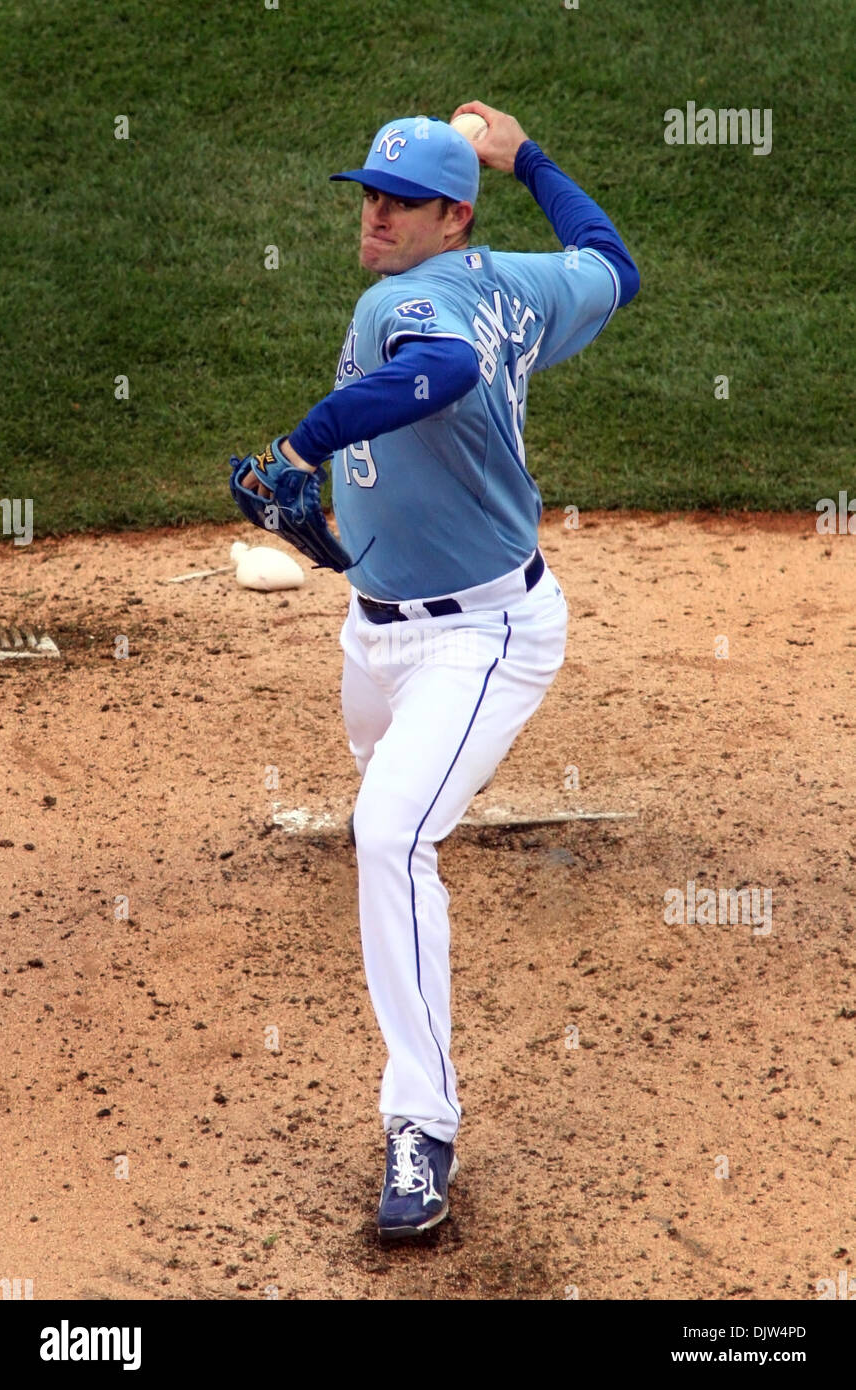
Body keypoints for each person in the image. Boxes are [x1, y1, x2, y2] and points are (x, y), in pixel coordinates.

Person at [239, 100, 639, 1239]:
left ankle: (423, 1127)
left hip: (480, 640)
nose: (372, 215)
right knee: (381, 782)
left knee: (390, 836)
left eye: (397, 202)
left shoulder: (408, 305)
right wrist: (533, 159)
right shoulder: (519, 280)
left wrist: (298, 446)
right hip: (374, 635)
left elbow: (441, 372)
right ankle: (407, 815)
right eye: (366, 193)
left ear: (448, 218)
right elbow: (610, 264)